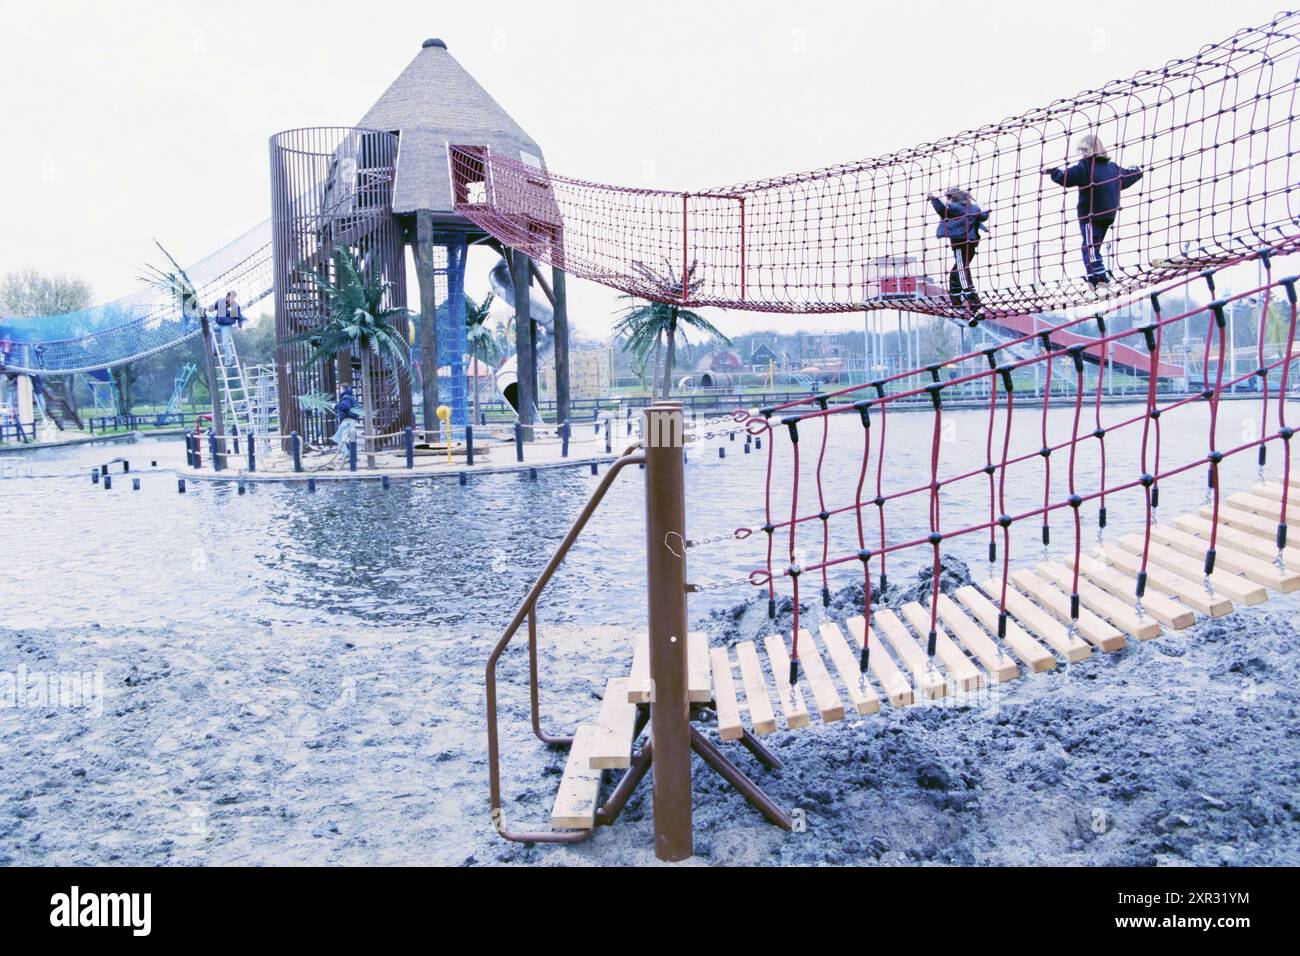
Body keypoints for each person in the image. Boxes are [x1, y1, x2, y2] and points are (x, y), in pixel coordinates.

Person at [1045, 134, 1142, 285]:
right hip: (1108, 214)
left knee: (1090, 247)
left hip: (1091, 214)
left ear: (1089, 150)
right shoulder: (1113, 168)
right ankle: (1093, 276)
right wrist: (1136, 169)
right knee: (1091, 246)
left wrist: (1054, 172)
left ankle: (1100, 275)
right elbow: (1130, 175)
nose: (1082, 154)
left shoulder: (1085, 166)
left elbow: (1067, 177)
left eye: (1084, 151)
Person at [928, 187, 989, 313]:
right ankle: (957, 304)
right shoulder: (972, 208)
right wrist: (986, 210)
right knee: (956, 273)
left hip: (960, 244)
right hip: (971, 244)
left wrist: (933, 198)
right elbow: (982, 217)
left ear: (951, 198)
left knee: (962, 273)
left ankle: (975, 305)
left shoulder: (956, 208)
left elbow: (942, 209)